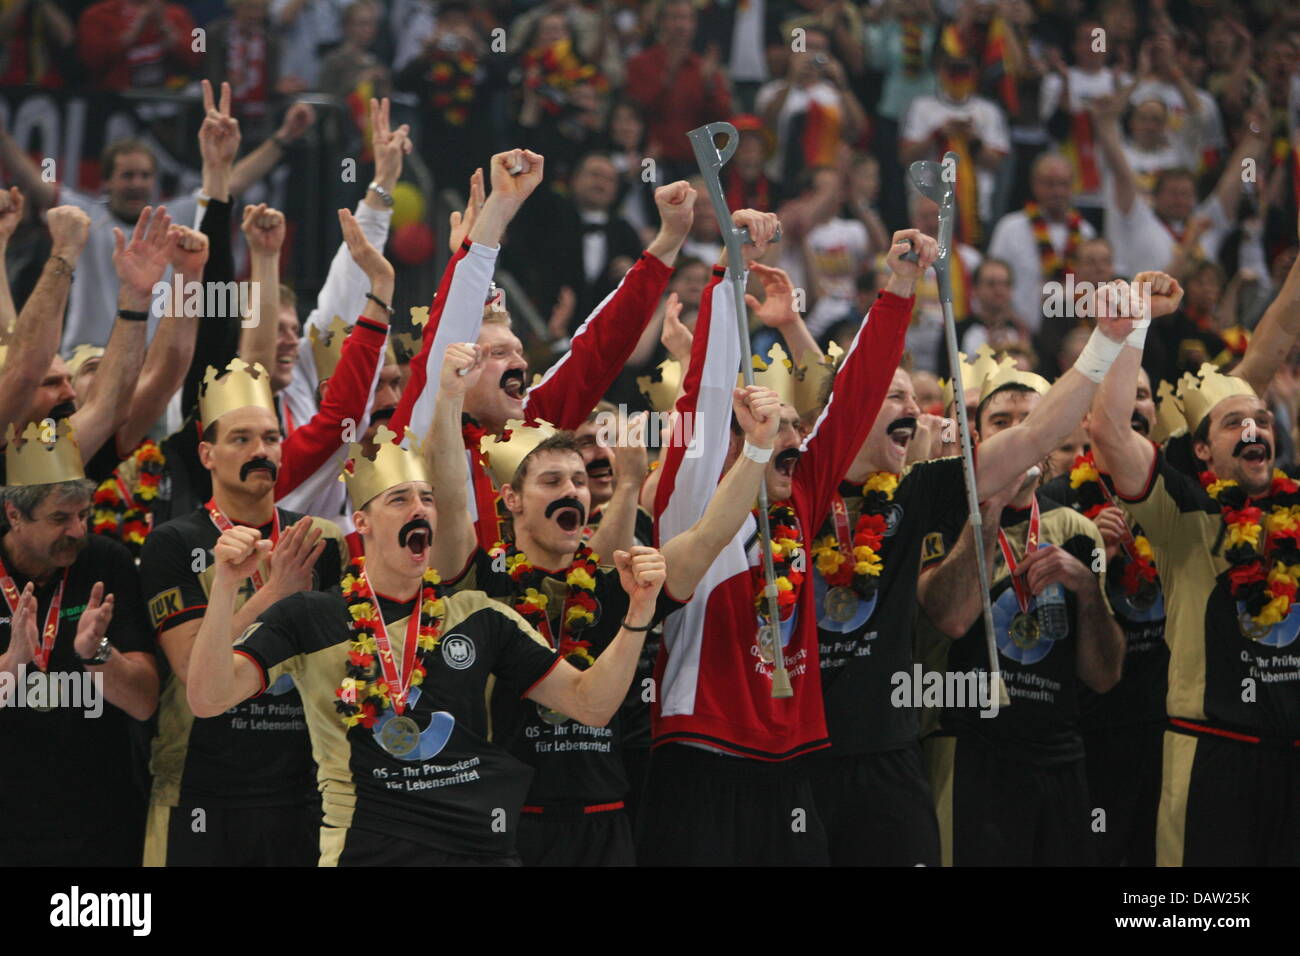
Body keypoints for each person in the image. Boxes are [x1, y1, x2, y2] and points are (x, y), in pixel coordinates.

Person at [184, 431, 670, 866]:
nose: (419, 509)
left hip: (476, 849)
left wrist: (638, 614)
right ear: (363, 521)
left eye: (427, 498)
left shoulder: (479, 615)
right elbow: (207, 697)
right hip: (366, 849)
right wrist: (226, 586)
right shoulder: (310, 617)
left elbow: (592, 704)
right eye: (399, 498)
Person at [636, 221, 929, 866]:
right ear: (736, 437)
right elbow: (705, 395)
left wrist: (900, 287)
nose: (795, 439)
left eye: (797, 426)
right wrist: (727, 270)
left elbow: (853, 402)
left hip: (794, 761)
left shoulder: (801, 498)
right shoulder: (693, 501)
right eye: (774, 425)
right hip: (701, 754)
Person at [430, 339, 787, 864]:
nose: (573, 491)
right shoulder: (482, 579)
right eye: (552, 481)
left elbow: (709, 535)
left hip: (604, 820)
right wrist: (446, 398)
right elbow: (447, 491)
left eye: (578, 480)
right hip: (504, 824)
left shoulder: (618, 583)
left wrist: (757, 448)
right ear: (511, 501)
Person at [1090, 271, 1300, 866]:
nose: (1254, 429)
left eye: (1261, 420)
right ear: (1201, 450)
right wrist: (1132, 325)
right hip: (1213, 755)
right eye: (1234, 424)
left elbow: (1280, 329)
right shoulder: (1184, 513)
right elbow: (1108, 432)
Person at [138, 357, 347, 866]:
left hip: (304, 786)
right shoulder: (173, 542)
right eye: (241, 439)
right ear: (206, 454)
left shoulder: (320, 540)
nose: (261, 452)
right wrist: (276, 593)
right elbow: (192, 670)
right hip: (202, 786)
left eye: (271, 439)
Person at [0, 421, 159, 866]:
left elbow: (145, 701)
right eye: (59, 518)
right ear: (14, 514)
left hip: (101, 820)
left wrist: (98, 654)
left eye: (83, 515)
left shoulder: (106, 561)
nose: (77, 530)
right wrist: (12, 663)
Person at [987, 154, 1097, 334]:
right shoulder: (1010, 228)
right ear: (1034, 184)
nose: (1057, 191)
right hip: (1021, 331)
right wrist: (1016, 325)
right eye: (1049, 184)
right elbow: (994, 282)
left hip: (1074, 334)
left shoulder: (1085, 232)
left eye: (1064, 184)